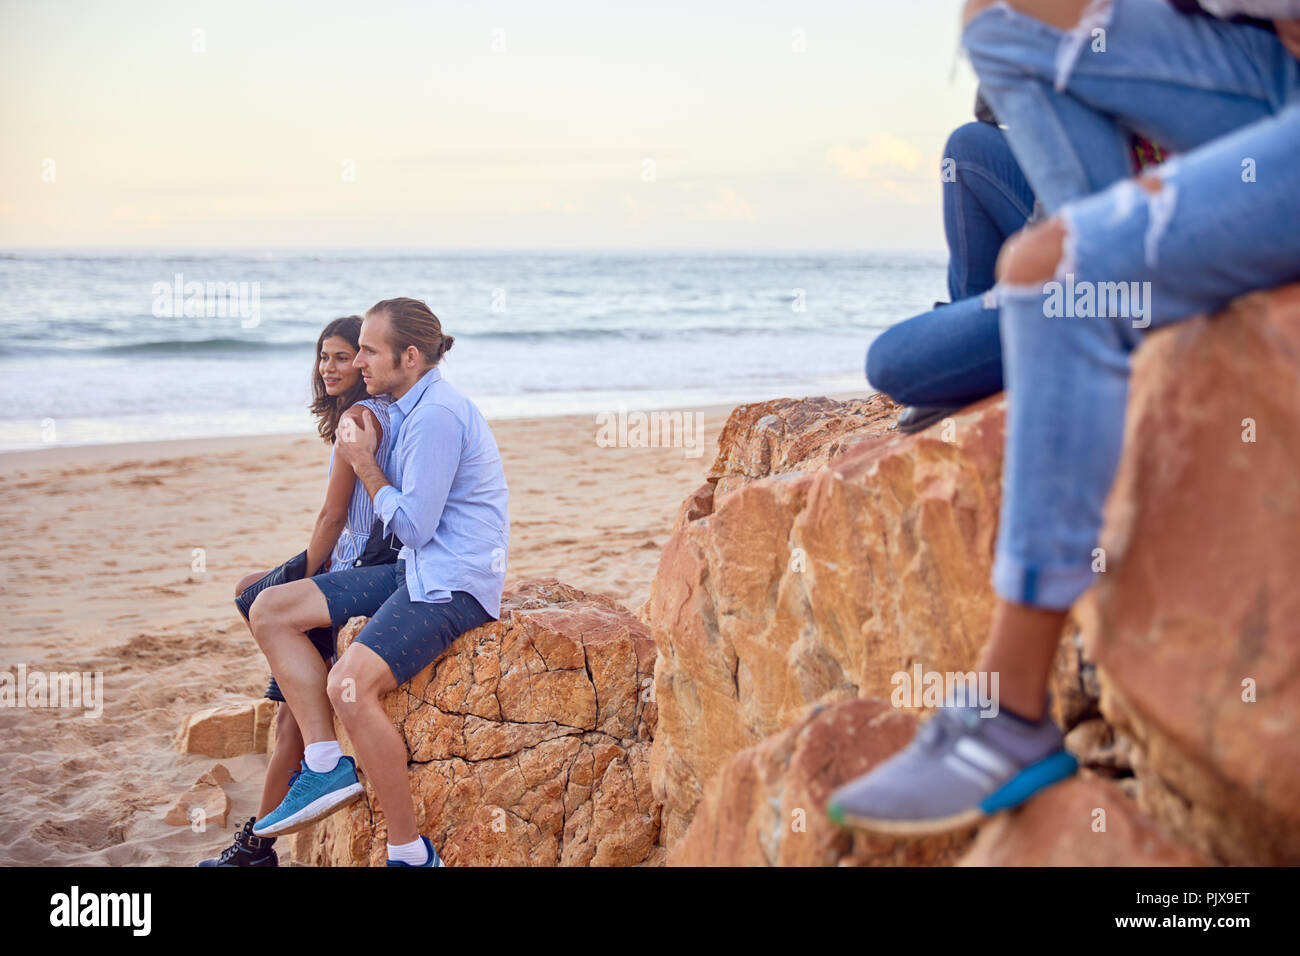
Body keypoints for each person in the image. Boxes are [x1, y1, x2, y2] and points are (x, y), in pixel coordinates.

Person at [828, 0, 1300, 834]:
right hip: (1260, 76)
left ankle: (1009, 708)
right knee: (997, 14)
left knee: (1045, 274)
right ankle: (1110, 300)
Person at [246, 297, 509, 868]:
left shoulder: (436, 416)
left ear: (409, 356)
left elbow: (414, 528)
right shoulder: (411, 408)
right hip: (415, 568)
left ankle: (410, 854)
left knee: (348, 687)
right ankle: (323, 761)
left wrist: (364, 462)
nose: (359, 361)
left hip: (450, 583)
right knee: (268, 609)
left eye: (368, 349)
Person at [200, 315, 394, 866]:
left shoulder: (359, 418)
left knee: (252, 596)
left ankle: (262, 839)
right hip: (352, 563)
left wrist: (303, 580)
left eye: (342, 357)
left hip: (357, 568)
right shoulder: (365, 414)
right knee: (286, 710)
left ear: (363, 362)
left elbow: (332, 517)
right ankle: (256, 847)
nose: (329, 367)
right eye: (323, 357)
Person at [867, 99, 1164, 434]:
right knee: (968, 148)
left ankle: (977, 361)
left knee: (890, 362)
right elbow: (991, 103)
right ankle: (974, 340)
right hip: (1080, 233)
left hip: (1128, 278)